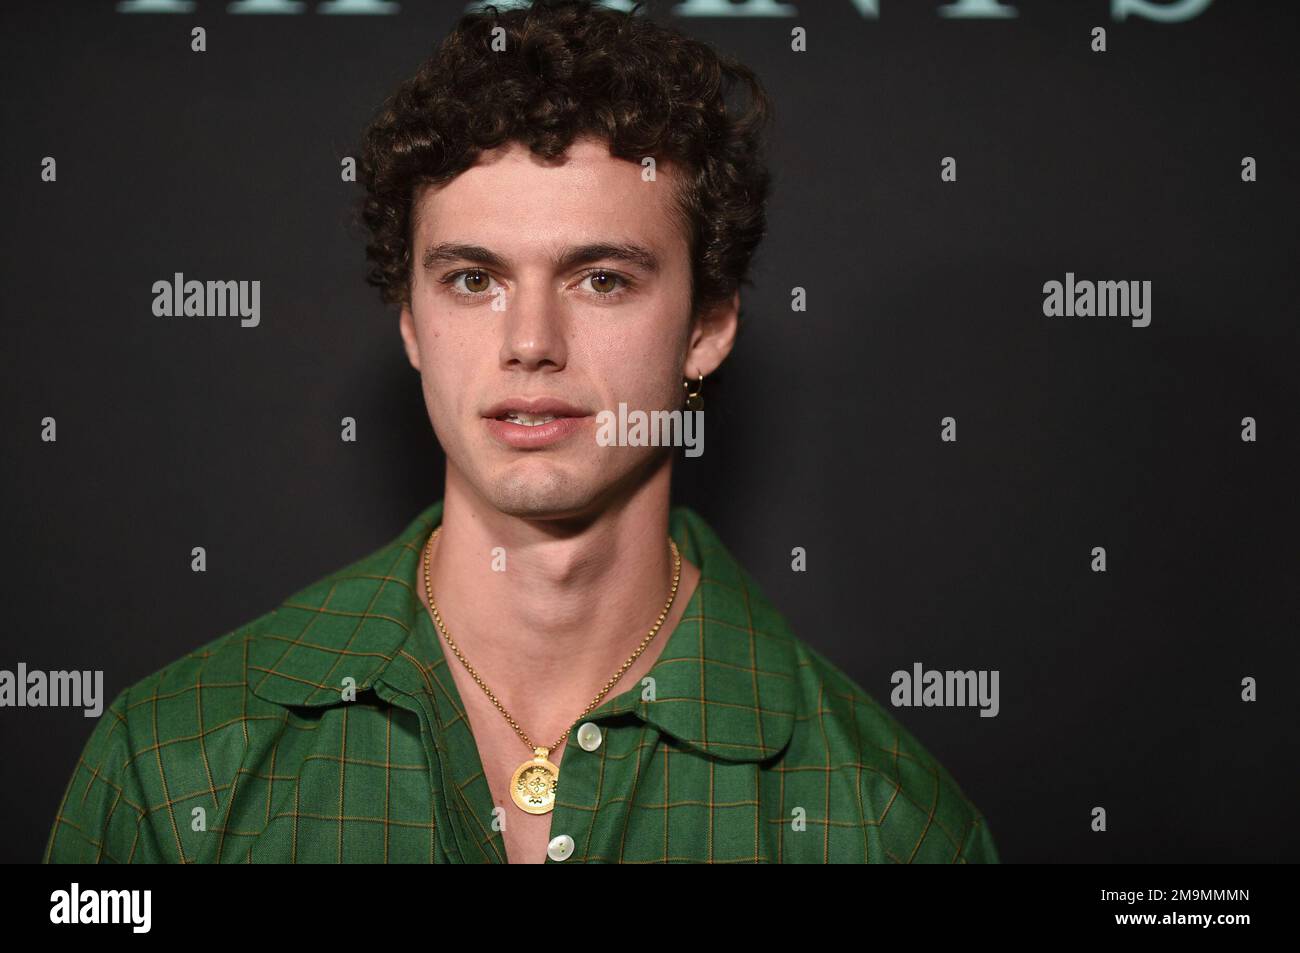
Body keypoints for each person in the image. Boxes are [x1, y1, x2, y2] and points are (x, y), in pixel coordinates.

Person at [44, 0, 997, 864]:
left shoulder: (883, 821)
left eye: (603, 279)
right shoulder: (173, 764)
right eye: (472, 280)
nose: (530, 343)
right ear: (412, 324)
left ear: (707, 326)